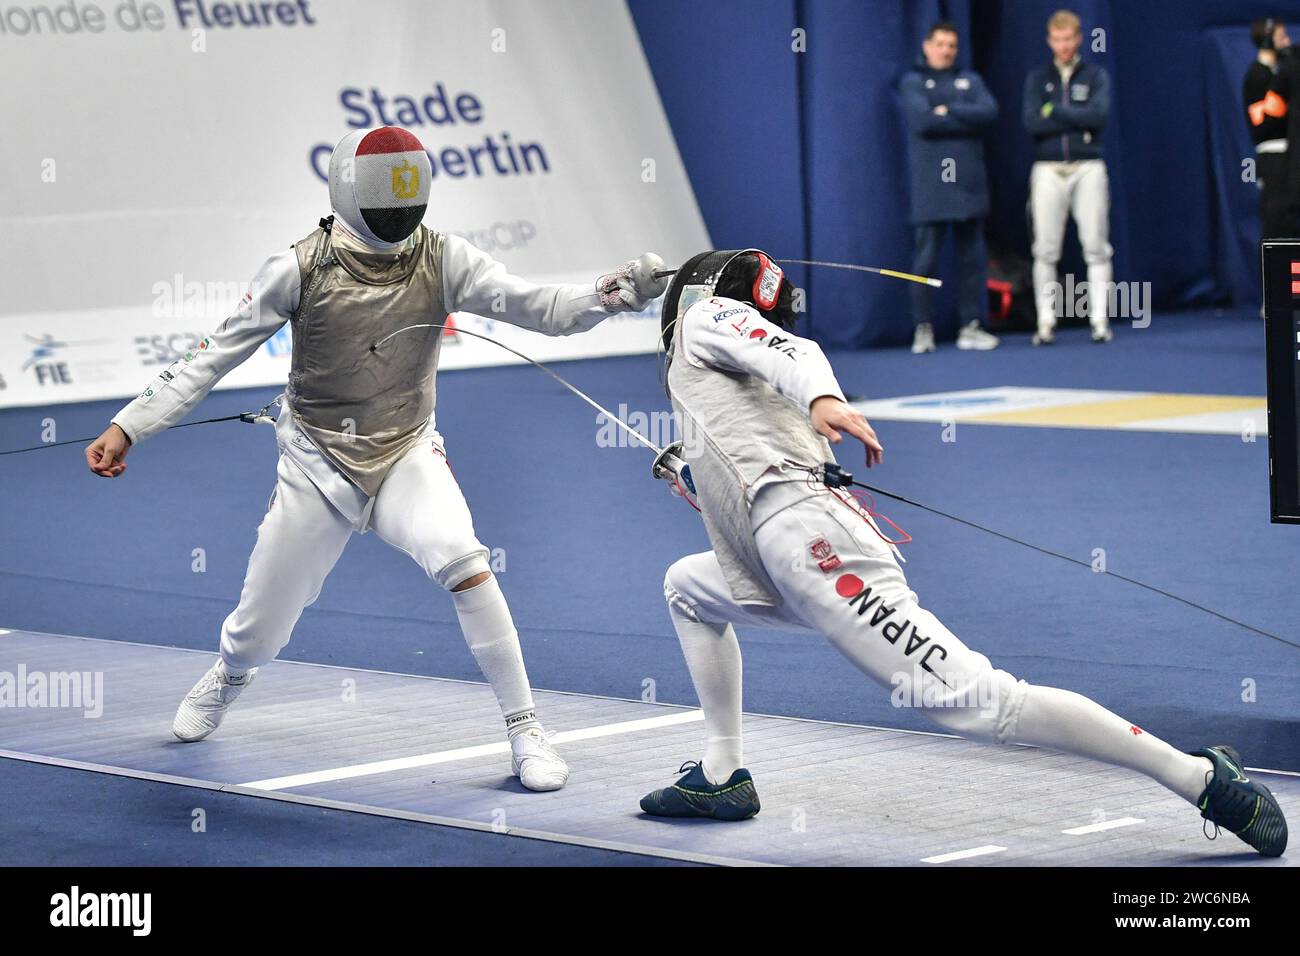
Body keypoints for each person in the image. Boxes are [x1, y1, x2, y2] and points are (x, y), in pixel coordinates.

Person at [639, 247, 1288, 859]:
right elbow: (744, 456)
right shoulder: (727, 385)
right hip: (784, 552)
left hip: (818, 551)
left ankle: (1201, 777)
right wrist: (698, 476)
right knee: (687, 588)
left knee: (988, 704)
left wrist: (823, 396)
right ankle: (721, 774)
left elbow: (790, 351)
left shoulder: (708, 319)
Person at [84, 126, 666, 792]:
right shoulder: (298, 266)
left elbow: (541, 310)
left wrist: (613, 292)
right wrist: (130, 424)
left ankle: (526, 727)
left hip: (406, 451)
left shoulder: (445, 259)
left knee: (465, 561)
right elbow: (215, 353)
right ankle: (231, 672)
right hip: (316, 463)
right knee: (260, 628)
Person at [899, 20, 1000, 354]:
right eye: (941, 44)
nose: (946, 50)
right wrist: (960, 119)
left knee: (972, 259)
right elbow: (923, 121)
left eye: (952, 45)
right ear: (927, 46)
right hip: (932, 187)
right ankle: (922, 327)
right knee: (925, 261)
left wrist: (950, 110)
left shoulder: (970, 80)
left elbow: (988, 113)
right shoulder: (913, 81)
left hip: (969, 184)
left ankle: (970, 326)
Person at [1023, 9, 1114, 345]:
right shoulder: (1037, 78)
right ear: (1050, 40)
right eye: (1057, 39)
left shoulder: (1095, 75)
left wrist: (1055, 111)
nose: (1063, 46)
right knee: (1045, 250)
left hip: (1088, 167)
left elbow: (1099, 115)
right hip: (1048, 169)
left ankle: (1100, 322)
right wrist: (1077, 119)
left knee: (1096, 247)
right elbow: (1032, 122)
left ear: (1078, 39)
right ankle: (1046, 323)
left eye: (1068, 39)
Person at [1246, 18, 1295, 244]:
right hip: (1273, 159)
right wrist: (1282, 96)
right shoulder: (1257, 75)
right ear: (1267, 41)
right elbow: (1262, 122)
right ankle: (1273, 277)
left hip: (1288, 156)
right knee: (1276, 220)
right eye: (1280, 37)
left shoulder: (1282, 71)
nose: (1287, 42)